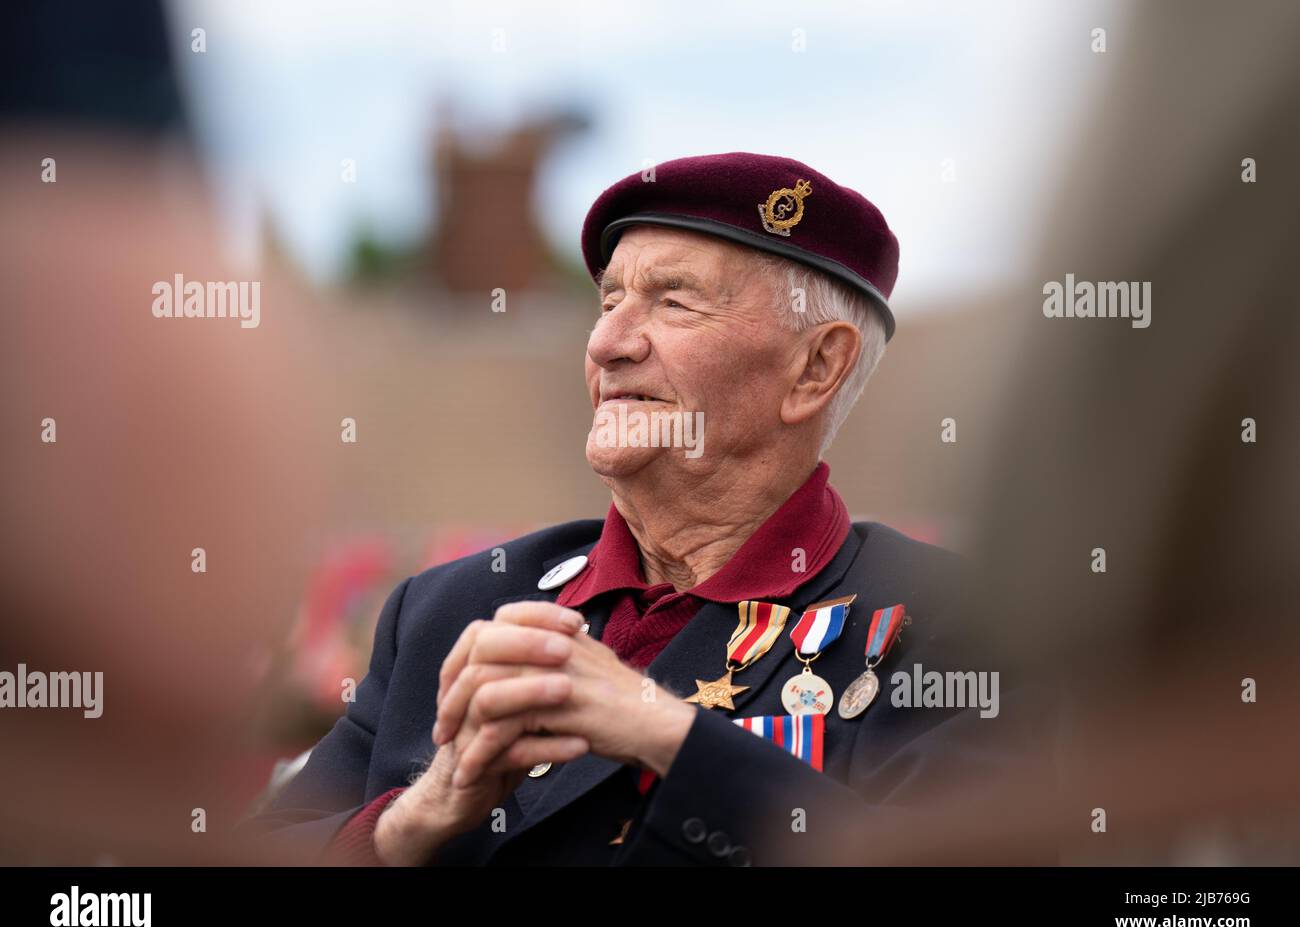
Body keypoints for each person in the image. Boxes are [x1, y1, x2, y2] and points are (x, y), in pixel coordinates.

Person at [245, 152, 1042, 865]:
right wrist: (420, 814)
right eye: (609, 300)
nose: (607, 343)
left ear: (815, 368)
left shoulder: (953, 623)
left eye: (674, 303)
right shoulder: (449, 607)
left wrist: (664, 733)